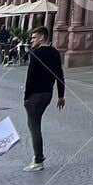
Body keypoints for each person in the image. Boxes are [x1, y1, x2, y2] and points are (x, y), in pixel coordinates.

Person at [22, 26, 65, 172]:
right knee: (36, 124)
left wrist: (26, 97)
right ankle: (37, 158)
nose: (31, 40)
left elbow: (30, 78)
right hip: (48, 94)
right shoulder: (54, 52)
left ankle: (38, 160)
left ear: (42, 37)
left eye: (34, 37)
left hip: (35, 95)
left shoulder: (35, 53)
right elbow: (59, 74)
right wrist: (61, 95)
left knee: (34, 127)